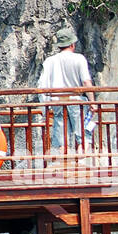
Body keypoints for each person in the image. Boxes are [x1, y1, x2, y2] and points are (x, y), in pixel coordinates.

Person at [38, 25, 95, 154]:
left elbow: (42, 84)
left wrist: (46, 104)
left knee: (61, 138)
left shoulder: (50, 61)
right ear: (72, 44)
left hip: (57, 101)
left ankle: (64, 161)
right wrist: (92, 102)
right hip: (76, 100)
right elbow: (86, 81)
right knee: (83, 136)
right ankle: (80, 160)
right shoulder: (79, 59)